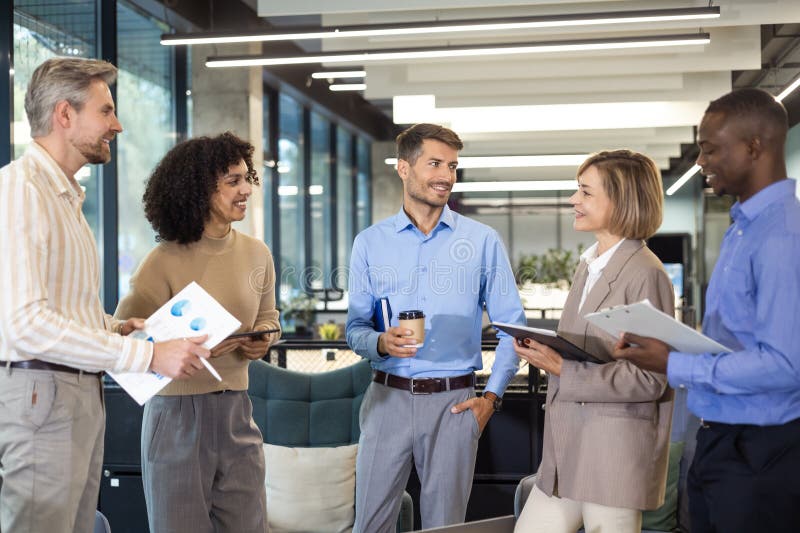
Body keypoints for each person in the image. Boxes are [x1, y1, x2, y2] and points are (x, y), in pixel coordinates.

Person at [0, 57, 207, 533]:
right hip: (41, 392)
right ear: (65, 115)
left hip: (74, 393)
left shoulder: (66, 197)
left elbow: (60, 310)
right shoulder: (19, 190)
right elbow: (25, 324)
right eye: (106, 110)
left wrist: (116, 328)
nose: (117, 124)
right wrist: (145, 355)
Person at [613, 88, 800, 533]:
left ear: (754, 148)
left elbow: (787, 364)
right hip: (721, 440)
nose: (700, 161)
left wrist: (674, 363)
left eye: (710, 148)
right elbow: (737, 340)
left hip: (762, 452)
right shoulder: (742, 231)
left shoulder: (782, 237)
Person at [346, 123, 526, 532]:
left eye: (452, 166)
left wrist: (491, 398)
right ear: (404, 168)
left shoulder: (482, 241)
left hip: (454, 405)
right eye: (434, 163)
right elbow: (355, 329)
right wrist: (380, 341)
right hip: (386, 401)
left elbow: (512, 327)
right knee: (369, 526)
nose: (446, 175)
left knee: (445, 527)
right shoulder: (370, 243)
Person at [114, 132, 280, 533]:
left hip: (237, 409)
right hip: (176, 417)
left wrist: (263, 339)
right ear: (200, 189)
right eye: (232, 181)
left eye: (246, 179)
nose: (245, 190)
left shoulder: (257, 253)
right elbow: (124, 339)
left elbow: (270, 317)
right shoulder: (162, 261)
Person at [514, 150, 675, 533]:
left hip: (613, 452)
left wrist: (562, 368)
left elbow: (650, 378)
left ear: (620, 201)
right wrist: (549, 351)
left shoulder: (645, 274)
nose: (574, 200)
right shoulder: (589, 265)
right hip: (567, 450)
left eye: (585, 192)